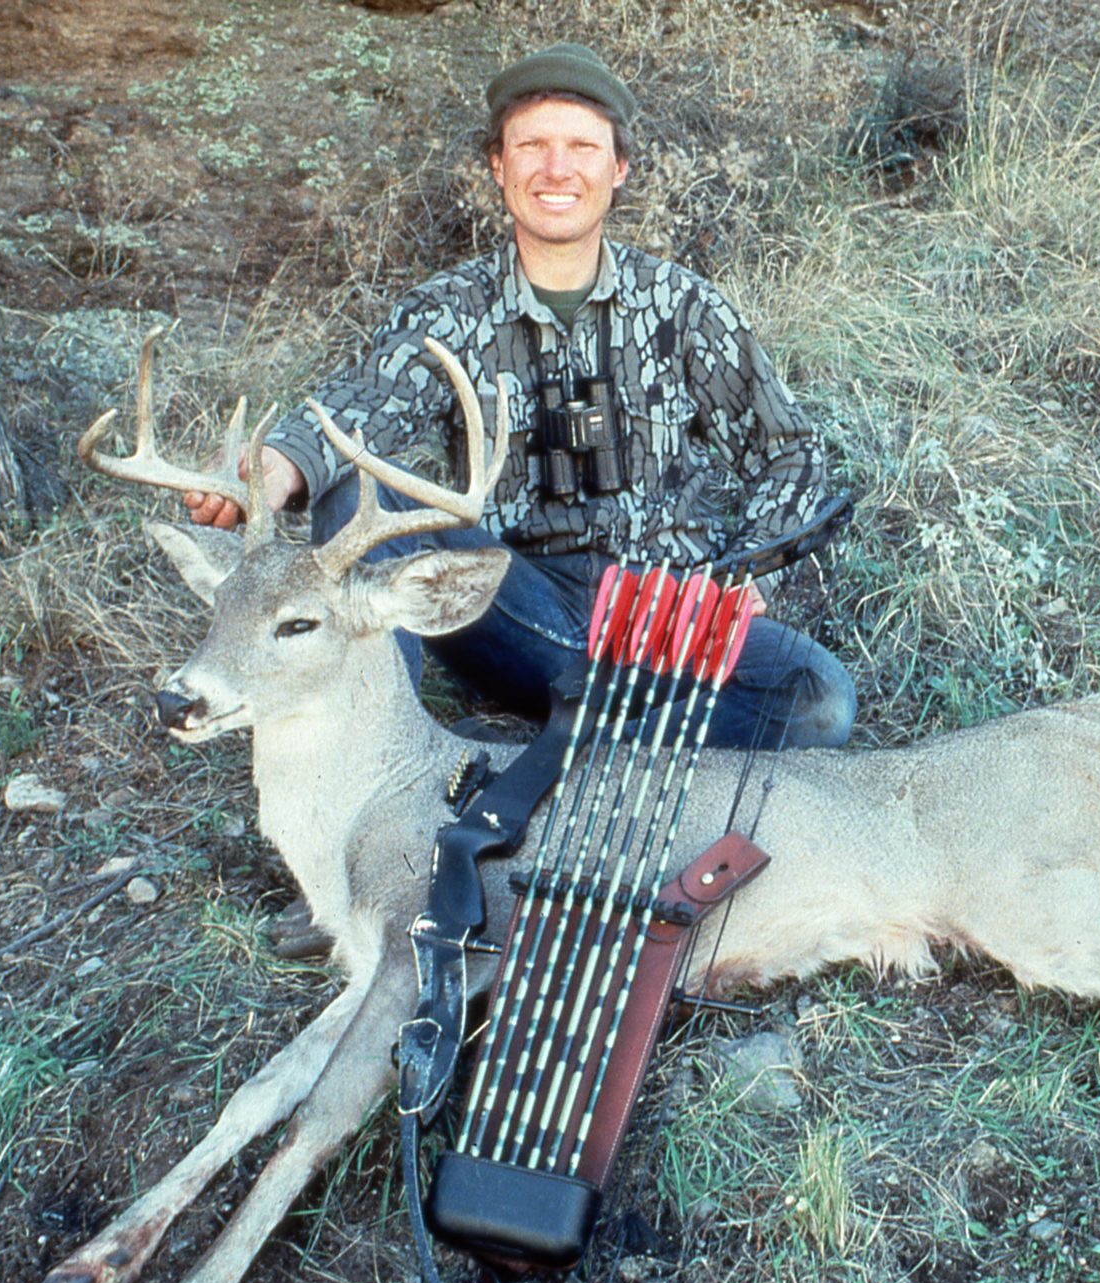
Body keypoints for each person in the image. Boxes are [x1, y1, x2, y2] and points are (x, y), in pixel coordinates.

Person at [186, 42, 855, 752]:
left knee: (818, 702)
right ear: (499, 166)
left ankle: (551, 750)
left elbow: (790, 452)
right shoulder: (448, 310)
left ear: (618, 167)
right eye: (532, 145)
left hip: (669, 613)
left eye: (582, 146)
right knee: (351, 493)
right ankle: (389, 744)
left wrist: (743, 570)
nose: (556, 169)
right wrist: (278, 468)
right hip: (515, 608)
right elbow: (367, 405)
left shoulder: (684, 307)